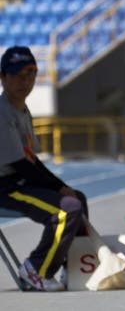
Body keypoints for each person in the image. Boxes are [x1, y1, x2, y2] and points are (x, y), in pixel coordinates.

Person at [0, 46, 88, 292]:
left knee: (77, 198)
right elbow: (20, 165)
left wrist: (63, 187)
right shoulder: (2, 113)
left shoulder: (22, 111)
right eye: (17, 75)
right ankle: (36, 269)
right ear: (3, 77)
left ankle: (75, 269)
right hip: (5, 187)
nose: (24, 82)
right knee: (66, 210)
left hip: (18, 182)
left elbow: (32, 161)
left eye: (30, 75)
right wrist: (59, 189)